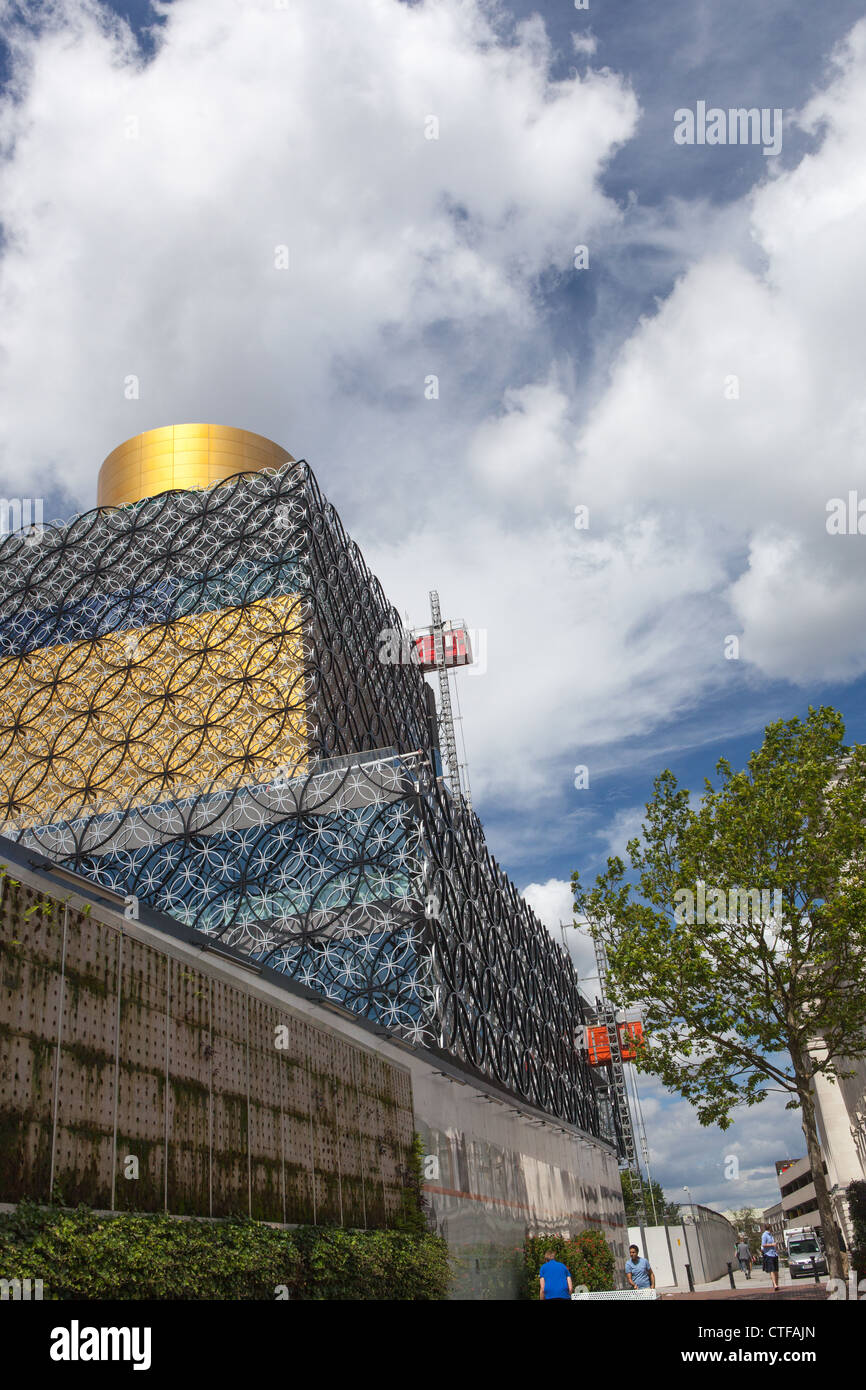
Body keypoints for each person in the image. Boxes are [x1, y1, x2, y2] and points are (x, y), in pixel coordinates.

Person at [760, 1225, 780, 1290]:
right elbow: (763, 1244)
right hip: (768, 1254)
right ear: (770, 1228)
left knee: (776, 1270)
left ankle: (776, 1284)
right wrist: (772, 1244)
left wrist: (775, 1246)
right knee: (772, 1270)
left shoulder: (771, 1235)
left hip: (774, 1254)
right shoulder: (764, 1235)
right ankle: (775, 1284)